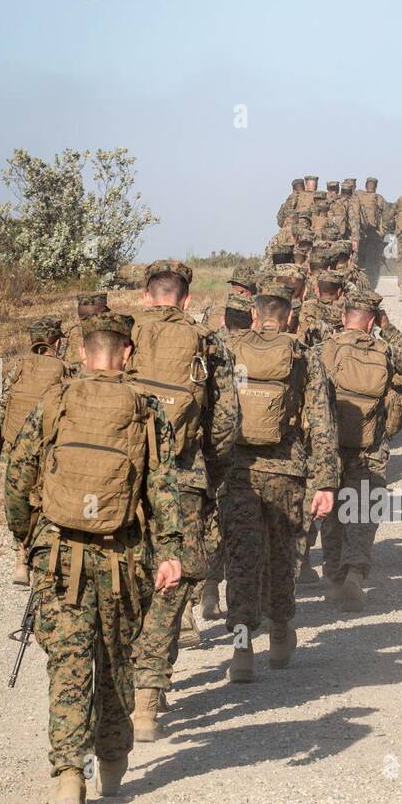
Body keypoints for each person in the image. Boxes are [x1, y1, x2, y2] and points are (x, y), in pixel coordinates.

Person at [3, 312, 183, 804]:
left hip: (58, 554)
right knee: (114, 660)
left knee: (69, 660)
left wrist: (28, 540)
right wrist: (169, 552)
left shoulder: (54, 402)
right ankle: (112, 757)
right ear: (127, 354)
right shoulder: (146, 410)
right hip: (121, 558)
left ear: (83, 353)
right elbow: (164, 488)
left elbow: (18, 480)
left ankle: (66, 773)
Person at [128, 260, 237, 740]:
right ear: (185, 299)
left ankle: (124, 681)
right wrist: (210, 469)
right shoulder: (206, 342)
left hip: (123, 477)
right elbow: (226, 419)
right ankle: (148, 697)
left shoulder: (123, 335)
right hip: (183, 475)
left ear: (147, 295)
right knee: (171, 578)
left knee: (128, 572)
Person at [223, 284, 338, 681]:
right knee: (281, 556)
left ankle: (241, 649)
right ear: (290, 318)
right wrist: (325, 482)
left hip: (238, 472)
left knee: (242, 559)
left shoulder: (230, 349)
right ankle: (278, 635)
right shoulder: (304, 356)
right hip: (287, 472)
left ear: (254, 316)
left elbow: (215, 415)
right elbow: (322, 423)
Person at [320, 291, 402, 610]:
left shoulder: (326, 349)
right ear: (372, 322)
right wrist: (388, 328)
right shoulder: (386, 351)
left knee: (332, 510)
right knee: (363, 511)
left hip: (331, 448)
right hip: (371, 448)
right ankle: (354, 573)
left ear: (343, 317)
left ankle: (335, 578)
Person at [0, 317, 67, 585]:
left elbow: (0, 413)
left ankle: (21, 557)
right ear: (56, 342)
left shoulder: (17, 369)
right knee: (46, 503)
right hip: (47, 448)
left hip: (14, 448)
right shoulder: (64, 370)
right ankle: (44, 559)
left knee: (18, 502)